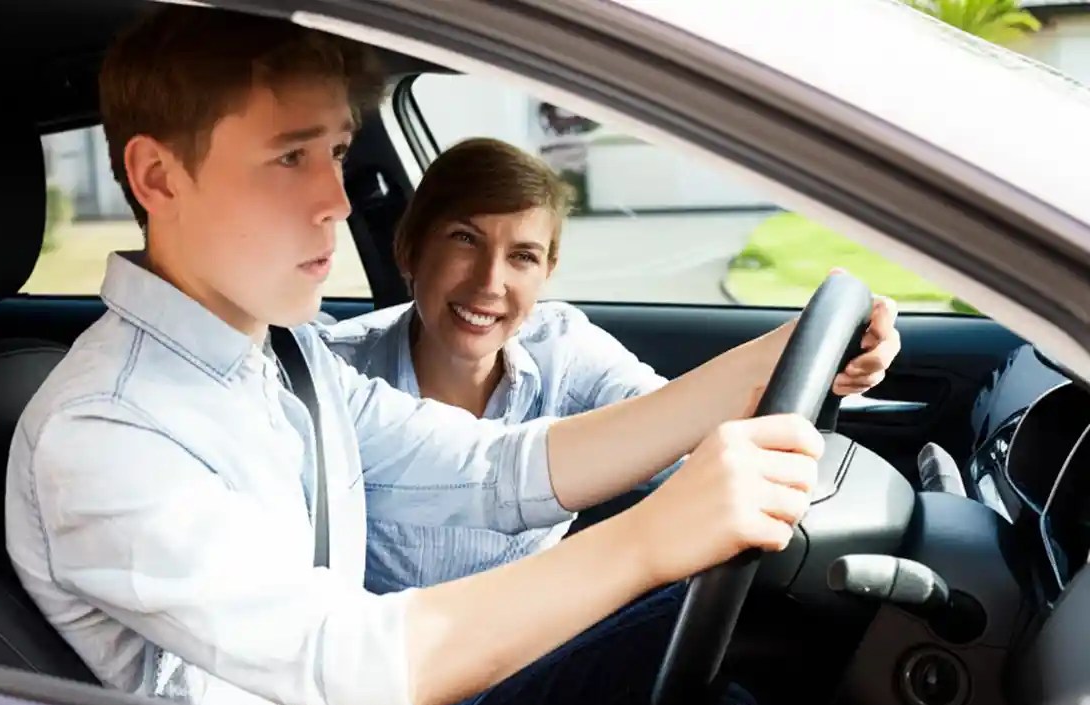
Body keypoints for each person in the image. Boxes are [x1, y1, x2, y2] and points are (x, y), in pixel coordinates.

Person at [3, 6, 901, 705]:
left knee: (728, 654)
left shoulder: (284, 362)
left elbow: (495, 468)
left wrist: (769, 361)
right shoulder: (105, 433)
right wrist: (651, 539)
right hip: (366, 697)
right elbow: (344, 662)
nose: (333, 198)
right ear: (158, 177)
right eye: (289, 157)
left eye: (337, 152)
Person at [320, 137, 898, 594]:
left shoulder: (562, 347)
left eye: (521, 256)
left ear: (547, 272)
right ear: (408, 250)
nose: (489, 283)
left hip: (532, 661)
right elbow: (498, 471)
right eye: (465, 240)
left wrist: (832, 375)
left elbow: (677, 433)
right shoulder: (335, 377)